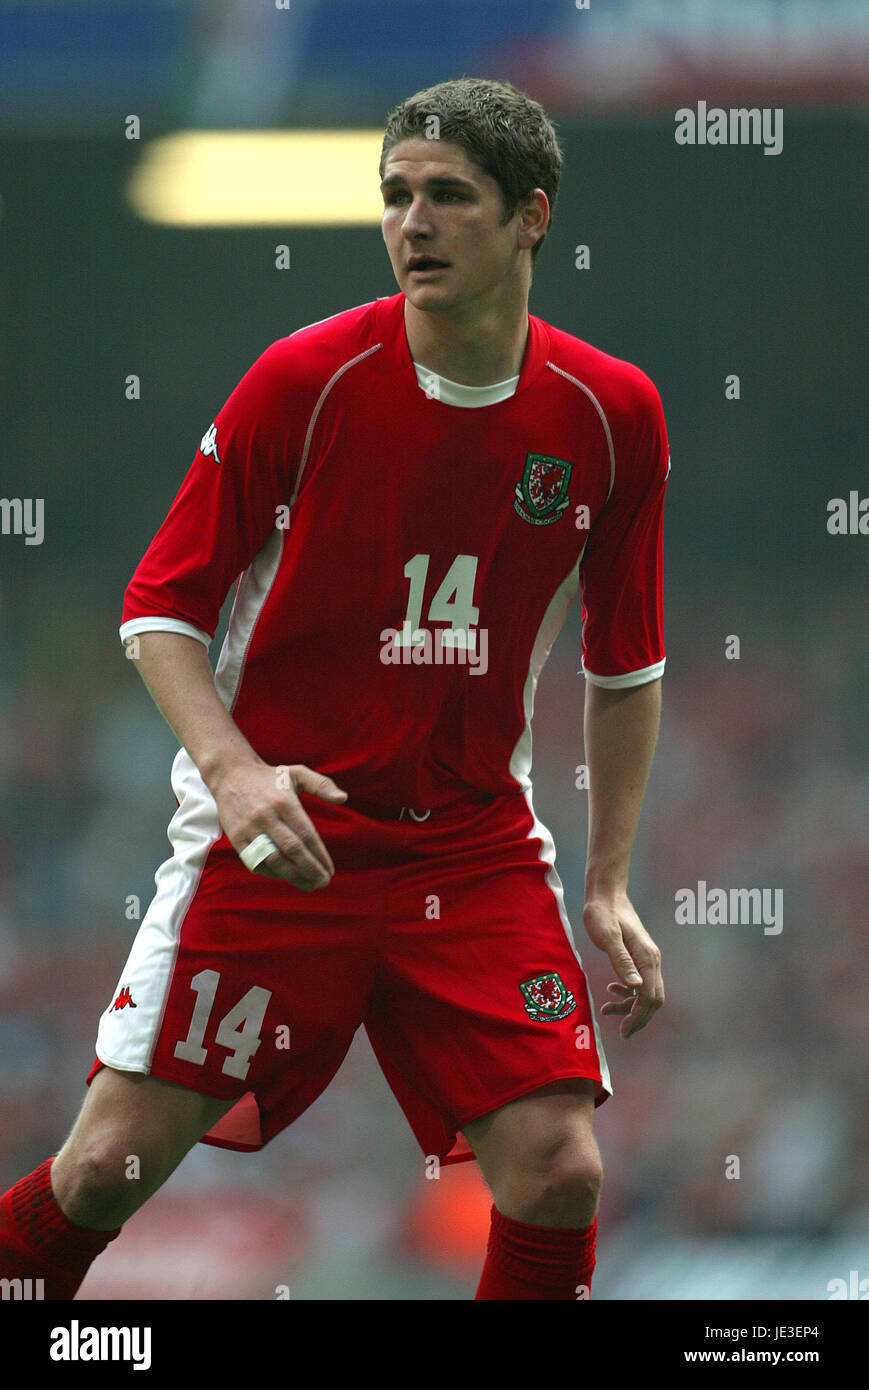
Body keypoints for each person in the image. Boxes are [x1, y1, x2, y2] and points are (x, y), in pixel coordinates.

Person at [0, 76, 667, 1301]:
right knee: (105, 1169)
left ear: (531, 214)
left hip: (468, 850)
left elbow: (623, 665)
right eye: (395, 197)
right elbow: (160, 608)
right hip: (279, 844)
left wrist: (611, 877)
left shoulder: (609, 414)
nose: (413, 222)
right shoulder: (302, 380)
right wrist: (236, 774)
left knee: (559, 1166)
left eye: (448, 197)